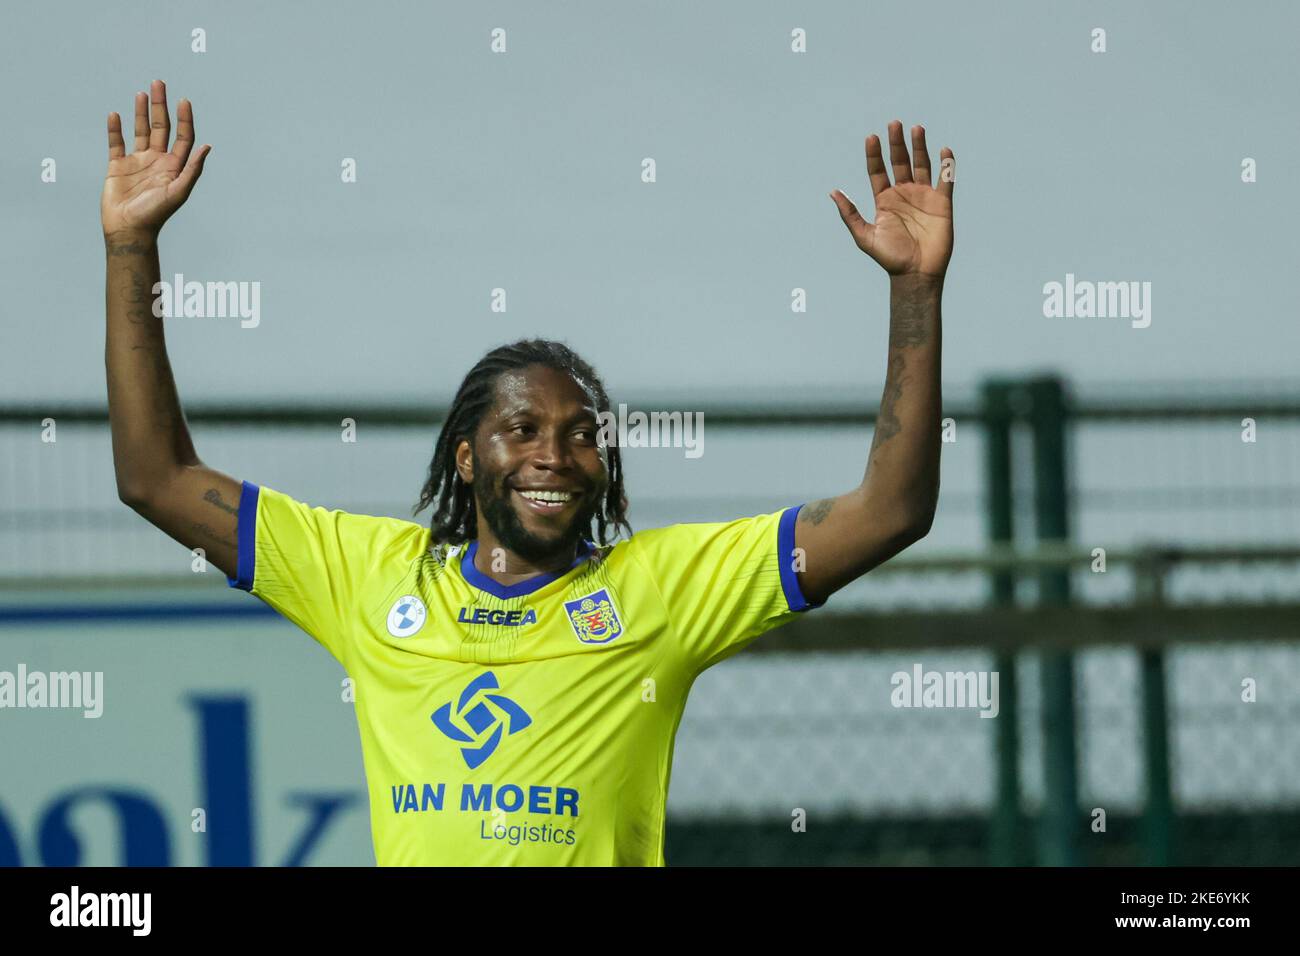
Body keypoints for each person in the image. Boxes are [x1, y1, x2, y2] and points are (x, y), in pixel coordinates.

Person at [103, 79, 955, 865]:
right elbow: (156, 478)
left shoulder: (661, 590)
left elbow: (890, 511)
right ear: (468, 457)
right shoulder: (370, 578)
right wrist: (131, 247)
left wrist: (914, 291)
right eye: (523, 429)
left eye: (584, 435)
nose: (554, 453)